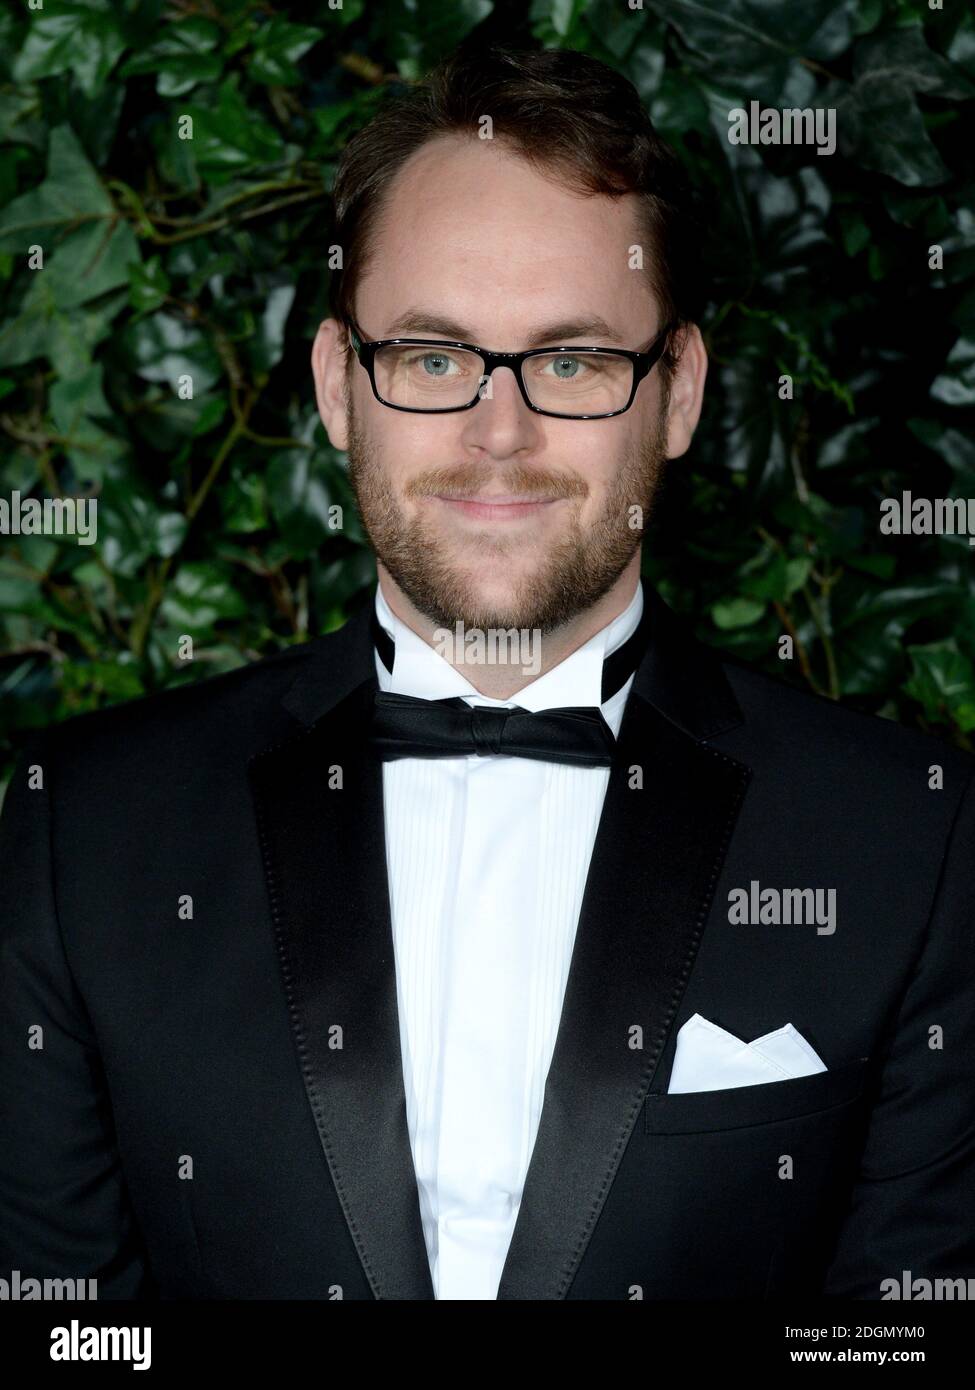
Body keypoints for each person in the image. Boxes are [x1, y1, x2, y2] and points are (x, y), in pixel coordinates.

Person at [1, 43, 973, 1303]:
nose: (497, 433)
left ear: (676, 394)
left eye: (571, 361)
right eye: (432, 356)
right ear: (339, 386)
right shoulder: (84, 829)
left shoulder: (914, 837)